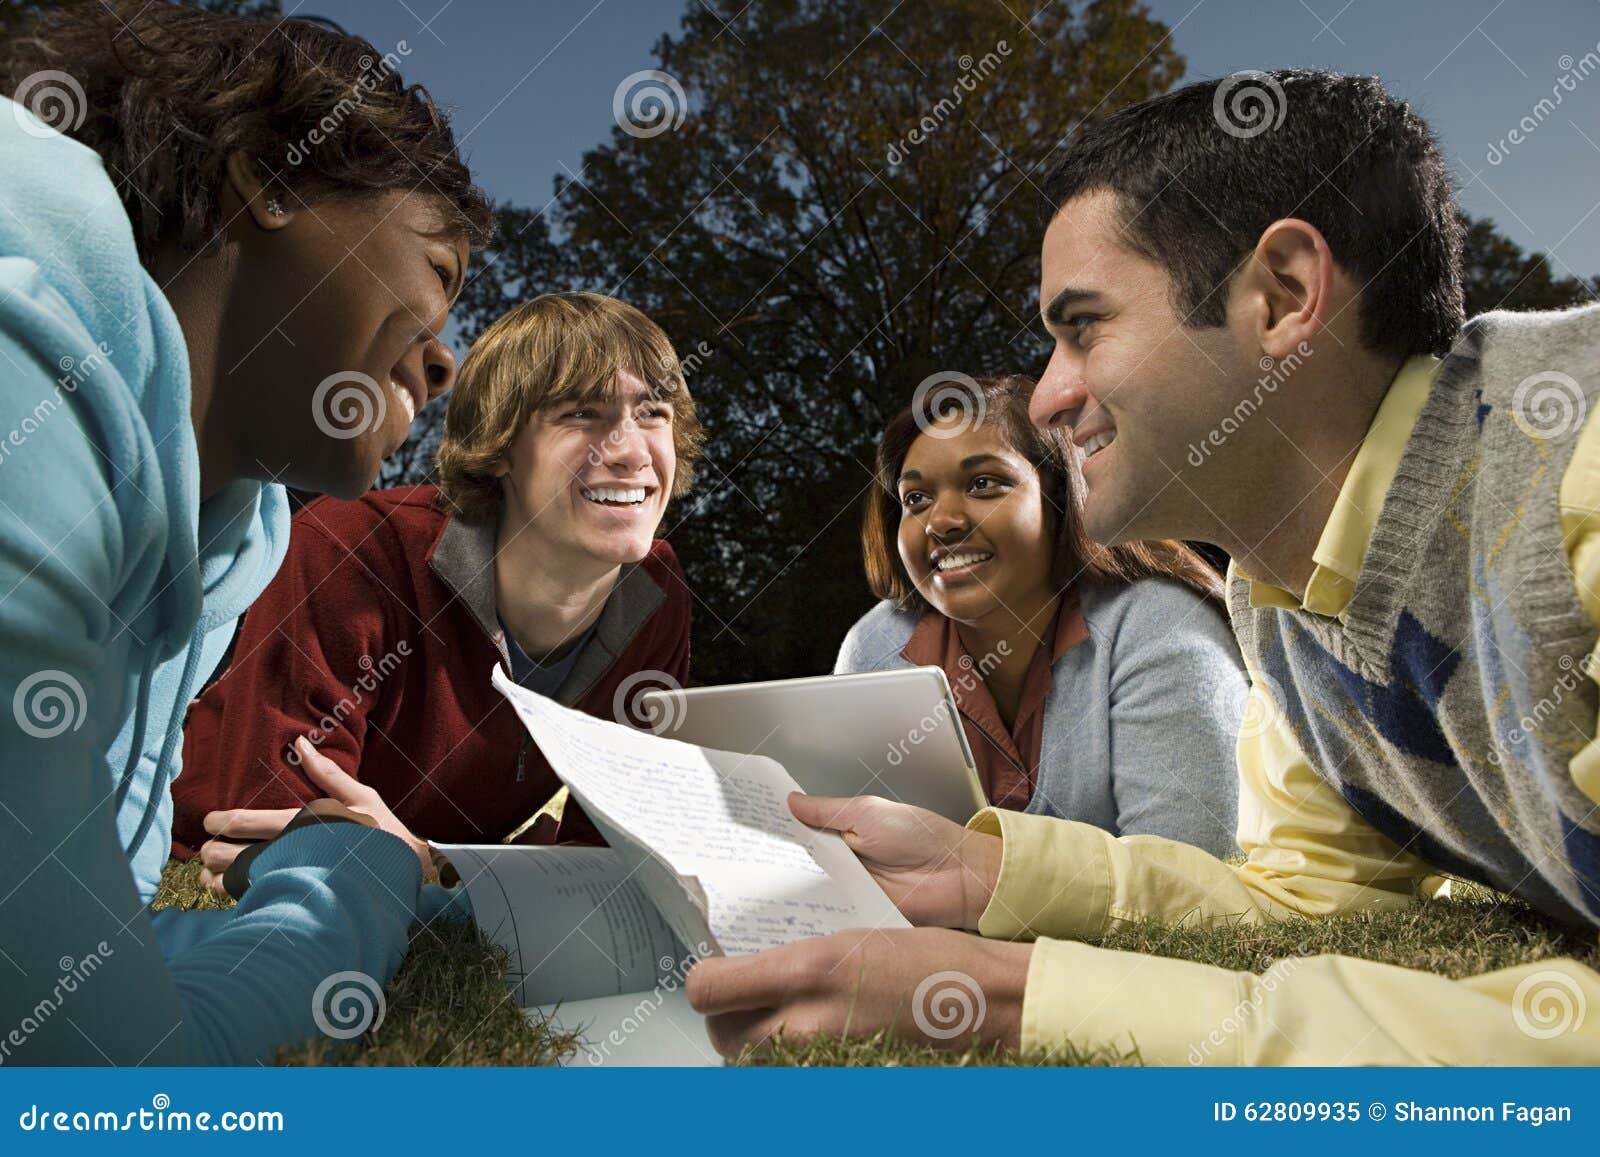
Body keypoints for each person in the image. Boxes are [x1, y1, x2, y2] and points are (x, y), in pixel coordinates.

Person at [685, 70, 1600, 1064]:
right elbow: (1300, 898)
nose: (1043, 400)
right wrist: (988, 873)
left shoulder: (1574, 465)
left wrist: (1011, 997)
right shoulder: (1280, 591)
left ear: (1282, 296)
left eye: (1083, 329)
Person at [0, 2, 493, 1063]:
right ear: (270, 172)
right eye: (438, 275)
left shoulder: (223, 529)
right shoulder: (18, 380)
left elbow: (99, 931)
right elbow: (101, 1076)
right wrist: (353, 875)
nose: (448, 360)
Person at [171, 293, 702, 893]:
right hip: (192, 826)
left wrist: (438, 867)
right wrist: (460, 870)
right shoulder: (356, 547)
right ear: (500, 446)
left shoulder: (656, 590)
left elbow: (611, 855)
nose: (632, 452)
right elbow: (285, 837)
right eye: (581, 413)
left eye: (653, 412)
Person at [836, 374, 1240, 854]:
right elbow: (851, 856)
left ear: (1063, 500)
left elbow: (1192, 876)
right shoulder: (877, 646)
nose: (941, 522)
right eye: (916, 499)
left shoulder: (1160, 627)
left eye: (984, 484)